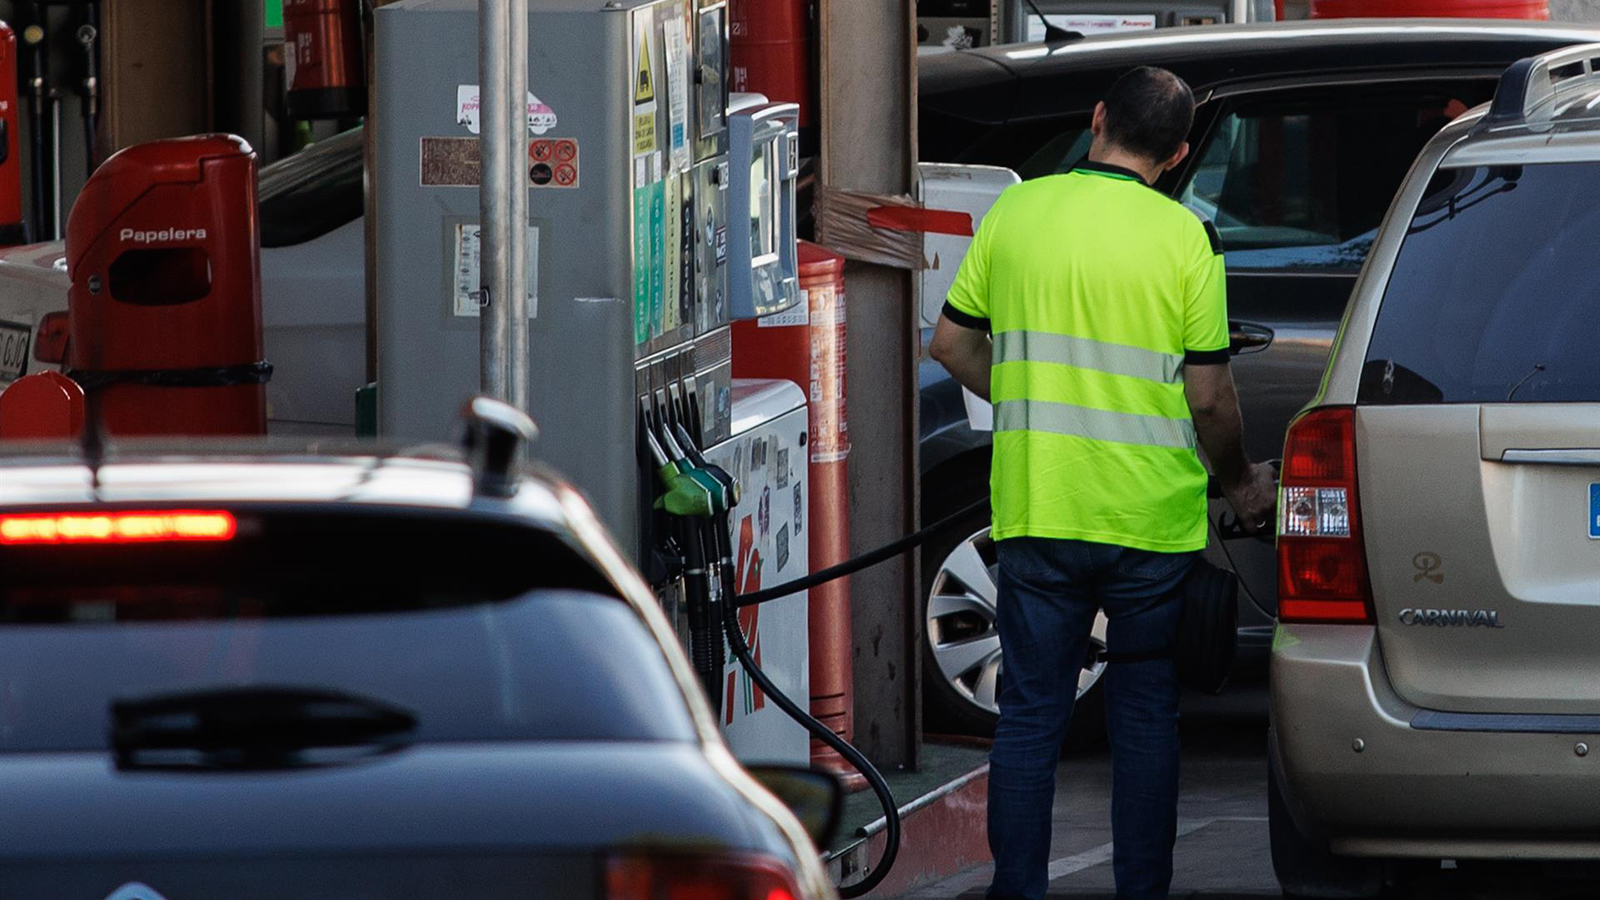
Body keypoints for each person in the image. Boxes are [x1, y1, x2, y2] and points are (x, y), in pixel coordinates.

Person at [928, 66, 1278, 900]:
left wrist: (1025, 397)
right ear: (1180, 151)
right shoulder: (1185, 238)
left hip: (1039, 507)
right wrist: (1238, 485)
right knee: (1146, 716)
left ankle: (1017, 890)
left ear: (1096, 119)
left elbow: (949, 343)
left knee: (1031, 719)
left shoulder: (1018, 212)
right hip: (1149, 523)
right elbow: (1209, 396)